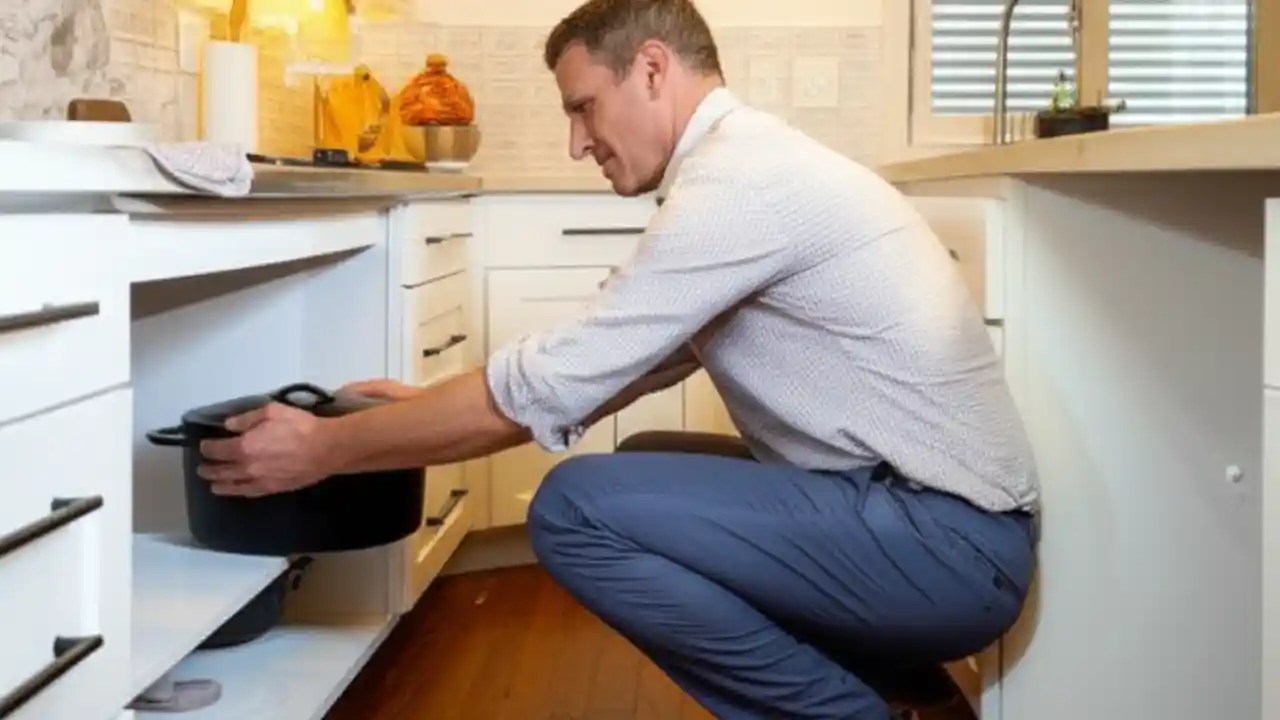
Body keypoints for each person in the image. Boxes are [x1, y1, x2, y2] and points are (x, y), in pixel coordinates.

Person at [196, 0, 1040, 717]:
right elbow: (615, 366)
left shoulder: (739, 184)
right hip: (932, 530)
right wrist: (420, 407)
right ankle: (904, 692)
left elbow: (553, 382)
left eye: (582, 107)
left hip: (950, 550)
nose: (577, 142)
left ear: (650, 70)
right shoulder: (741, 165)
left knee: (575, 510)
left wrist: (323, 450)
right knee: (640, 463)